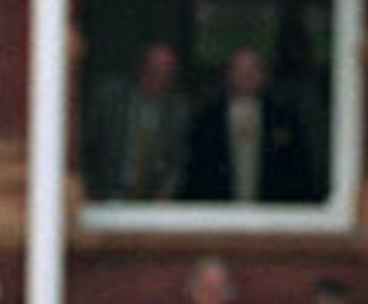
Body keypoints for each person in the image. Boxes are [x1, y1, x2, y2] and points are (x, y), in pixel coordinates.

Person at [182, 46, 317, 203]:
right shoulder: (206, 120)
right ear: (228, 75)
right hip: (219, 216)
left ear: (264, 75)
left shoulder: (284, 119)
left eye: (253, 69)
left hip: (272, 217)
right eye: (238, 69)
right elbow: (195, 175)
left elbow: (299, 173)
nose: (246, 75)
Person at [84, 42, 191, 201]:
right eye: (154, 69)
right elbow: (88, 145)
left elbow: (179, 159)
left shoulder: (179, 111)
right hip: (108, 195)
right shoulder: (112, 99)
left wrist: (165, 194)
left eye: (166, 71)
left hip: (152, 201)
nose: (159, 76)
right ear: (142, 68)